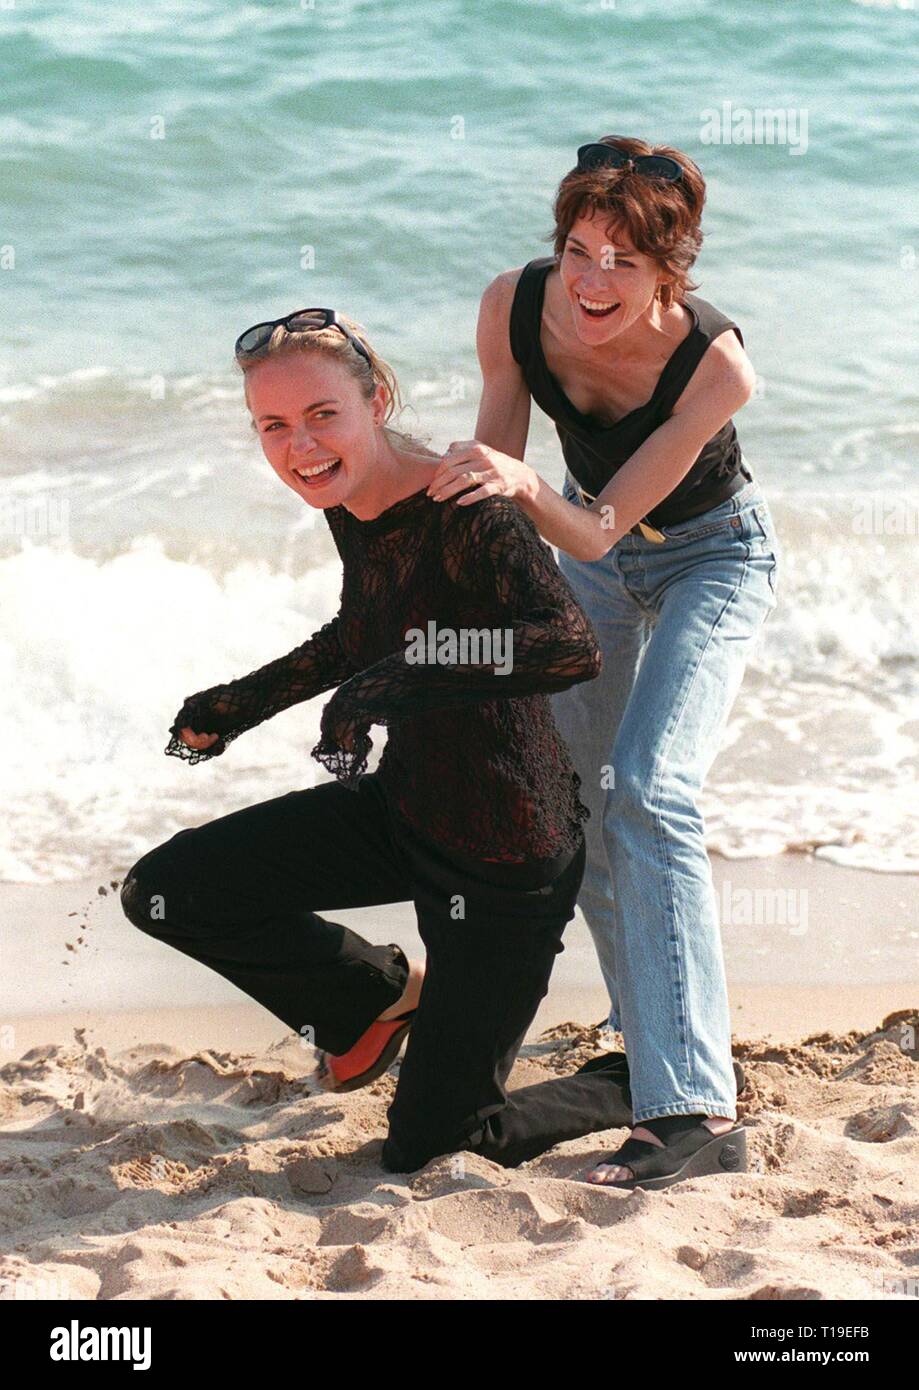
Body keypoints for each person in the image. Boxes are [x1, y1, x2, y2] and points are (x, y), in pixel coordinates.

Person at [120, 307, 649, 1175]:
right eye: (274, 426)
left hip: (507, 858)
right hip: (407, 809)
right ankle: (373, 1000)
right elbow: (365, 625)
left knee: (436, 1143)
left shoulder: (465, 501)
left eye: (322, 414)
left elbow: (565, 644)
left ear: (376, 399)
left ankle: (628, 1082)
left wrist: (387, 684)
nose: (301, 445)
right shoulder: (353, 500)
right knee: (167, 891)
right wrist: (239, 703)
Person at [426, 135, 777, 1188]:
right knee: (574, 798)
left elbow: (587, 523)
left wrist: (518, 491)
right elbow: (502, 497)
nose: (590, 280)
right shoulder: (513, 307)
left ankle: (692, 1107)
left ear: (672, 271)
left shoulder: (717, 367)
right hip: (592, 570)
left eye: (624, 262)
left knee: (650, 789)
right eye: (579, 248)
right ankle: (651, 1044)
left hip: (710, 558)